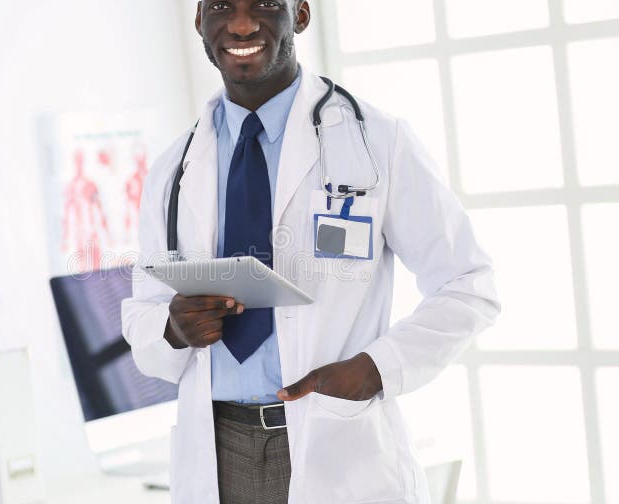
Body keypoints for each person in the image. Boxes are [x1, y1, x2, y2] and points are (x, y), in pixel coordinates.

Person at [121, 1, 500, 502]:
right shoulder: (175, 168)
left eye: (263, 4)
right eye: (220, 7)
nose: (240, 24)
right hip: (217, 451)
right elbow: (143, 310)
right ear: (198, 22)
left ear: (299, 15)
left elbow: (469, 284)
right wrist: (172, 329)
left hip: (337, 446)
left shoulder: (377, 140)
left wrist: (377, 367)